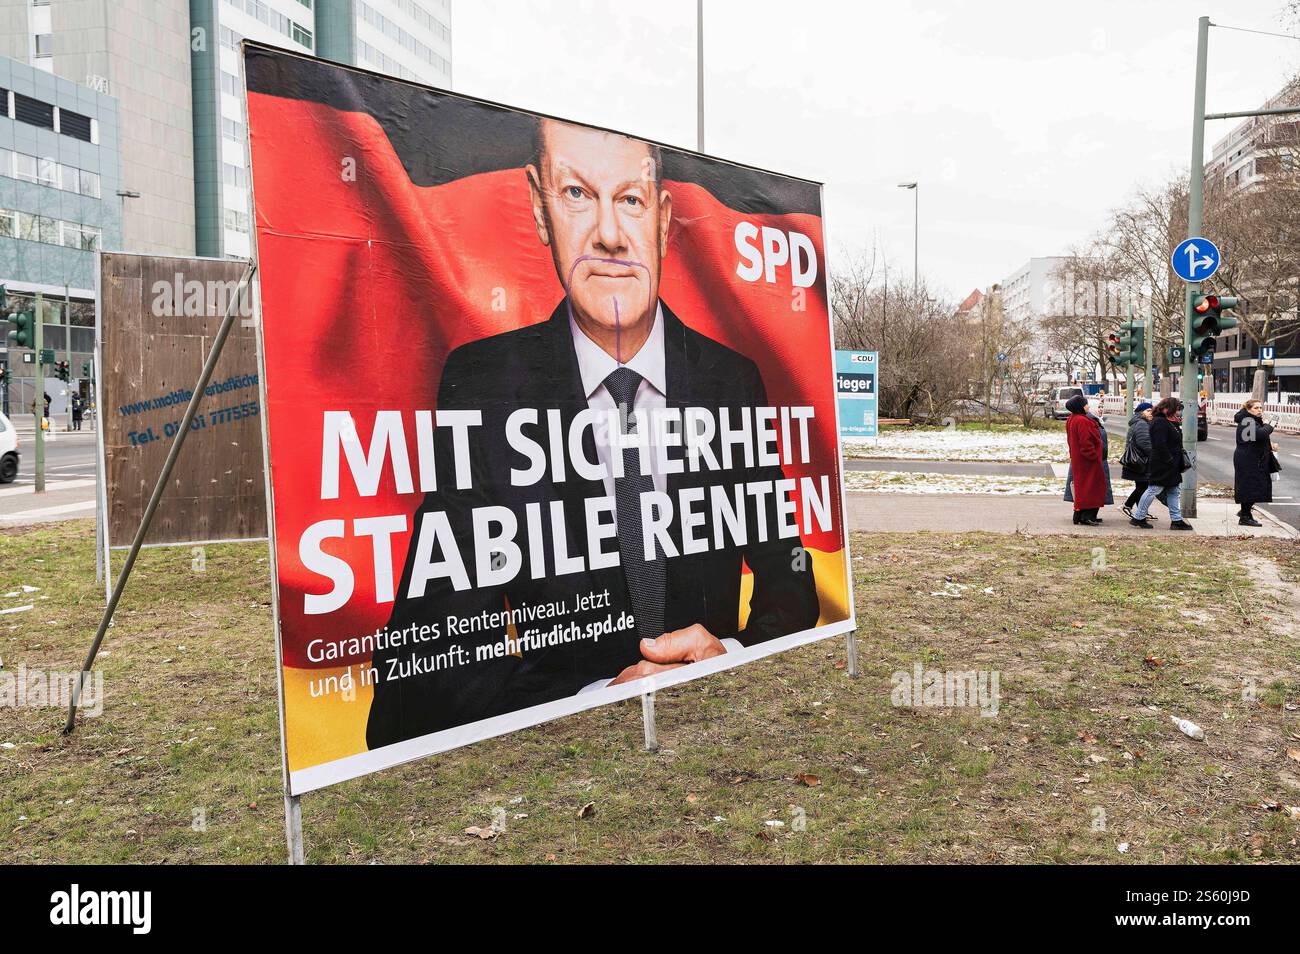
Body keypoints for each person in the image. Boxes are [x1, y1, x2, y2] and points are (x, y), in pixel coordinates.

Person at [366, 116, 820, 748]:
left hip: (716, 749)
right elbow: (415, 683)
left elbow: (792, 584)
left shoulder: (729, 380)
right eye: (577, 193)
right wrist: (594, 701)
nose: (608, 235)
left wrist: (731, 655)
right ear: (539, 207)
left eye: (630, 200)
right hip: (569, 776)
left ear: (662, 219)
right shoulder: (484, 386)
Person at [1131, 397, 1193, 530]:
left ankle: (1176, 520)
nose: (1178, 412)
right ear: (1168, 408)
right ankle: (1138, 517)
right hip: (1163, 464)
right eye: (1176, 409)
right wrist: (1169, 460)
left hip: (1170, 463)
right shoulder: (1160, 422)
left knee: (1173, 490)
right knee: (1153, 489)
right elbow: (1160, 444)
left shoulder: (1168, 421)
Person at [1233, 399, 1280, 527]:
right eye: (1256, 408)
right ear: (1248, 409)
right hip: (1248, 460)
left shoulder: (1250, 420)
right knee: (1250, 486)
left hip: (1253, 458)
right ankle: (1245, 516)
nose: (1259, 410)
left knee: (1255, 486)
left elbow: (1252, 439)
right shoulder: (1247, 420)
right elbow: (1260, 434)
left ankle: (1245, 512)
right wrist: (1271, 424)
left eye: (1260, 407)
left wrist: (1270, 446)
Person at [1064, 394, 1105, 525]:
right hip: (1087, 461)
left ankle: (1079, 514)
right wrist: (1094, 455)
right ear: (1080, 406)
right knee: (1091, 488)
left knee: (1082, 487)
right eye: (1085, 404)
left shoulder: (1072, 419)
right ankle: (1087, 516)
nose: (1088, 406)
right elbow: (1086, 443)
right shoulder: (1082, 420)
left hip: (1079, 459)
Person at [1120, 401, 1153, 518]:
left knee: (1142, 486)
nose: (1151, 413)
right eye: (1148, 411)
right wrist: (1154, 455)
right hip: (1140, 461)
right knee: (1143, 487)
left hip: (1138, 461)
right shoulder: (1141, 424)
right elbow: (1144, 443)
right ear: (1141, 412)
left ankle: (1141, 511)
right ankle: (1127, 506)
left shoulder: (1140, 422)